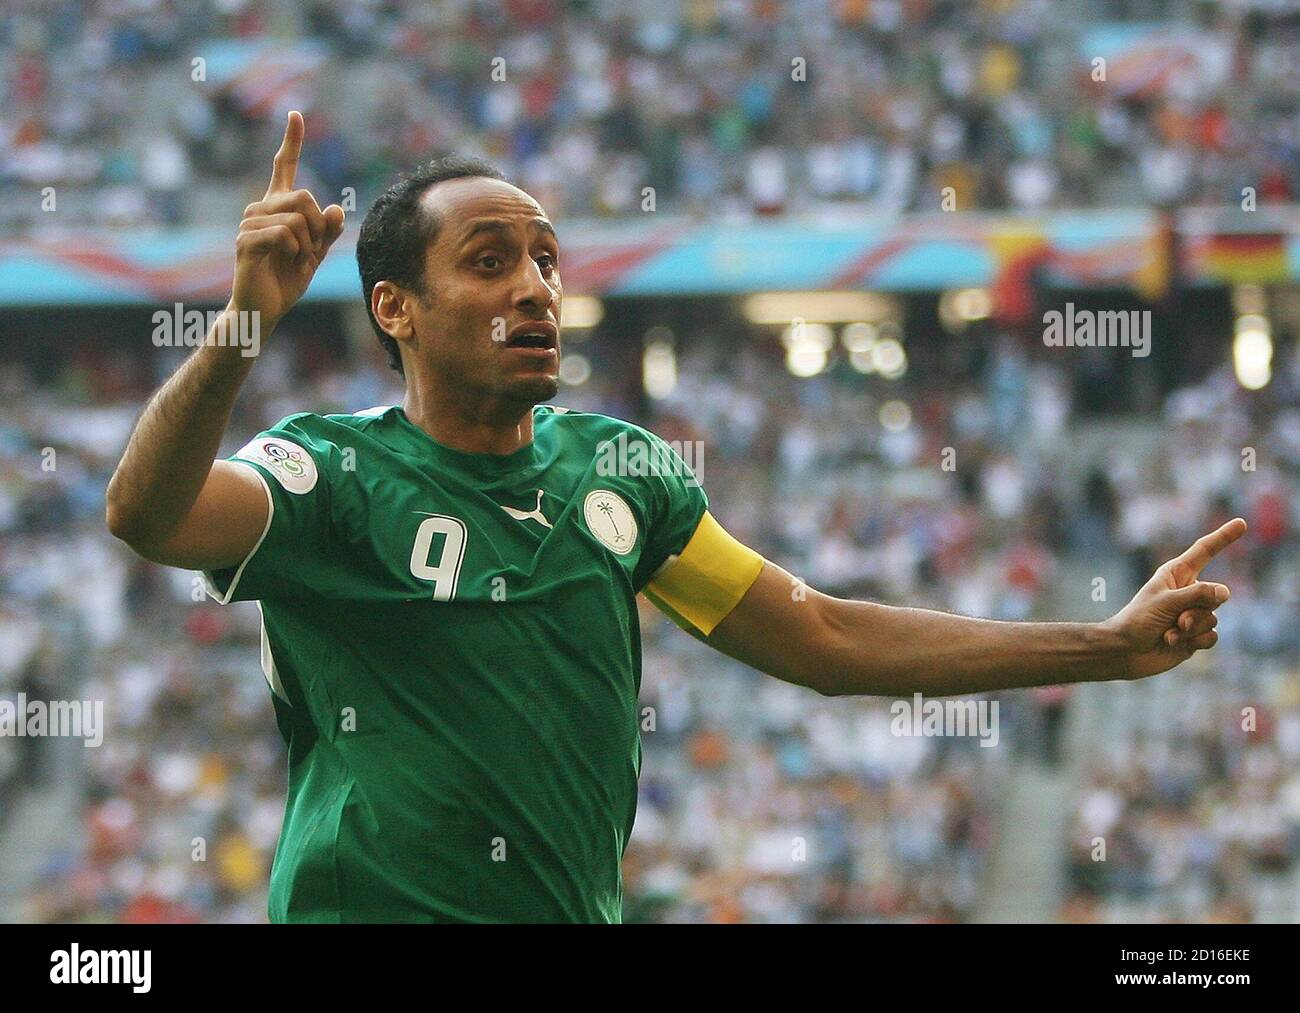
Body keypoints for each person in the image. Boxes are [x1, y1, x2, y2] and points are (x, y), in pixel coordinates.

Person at [105, 112, 1246, 923]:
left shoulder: (623, 476)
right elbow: (148, 515)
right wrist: (242, 326)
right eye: (490, 260)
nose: (533, 289)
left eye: (546, 261)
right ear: (394, 307)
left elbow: (821, 636)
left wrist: (1100, 645)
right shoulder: (330, 475)